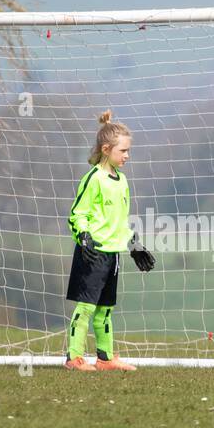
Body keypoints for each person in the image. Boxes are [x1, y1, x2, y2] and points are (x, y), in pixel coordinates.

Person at [64, 111, 154, 371]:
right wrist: (83, 236)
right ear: (106, 149)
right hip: (93, 253)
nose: (127, 156)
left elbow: (119, 219)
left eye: (128, 151)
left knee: (105, 309)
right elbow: (77, 214)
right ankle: (73, 357)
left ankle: (105, 358)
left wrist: (132, 242)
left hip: (113, 254)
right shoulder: (94, 178)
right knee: (86, 307)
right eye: (123, 151)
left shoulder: (122, 181)